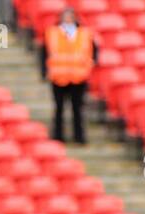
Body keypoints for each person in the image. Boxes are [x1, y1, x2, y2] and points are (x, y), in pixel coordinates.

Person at [45, 8, 95, 145]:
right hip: (58, 77)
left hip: (78, 77)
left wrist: (87, 68)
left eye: (70, 16)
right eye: (65, 16)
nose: (68, 19)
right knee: (59, 108)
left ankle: (79, 137)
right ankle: (58, 136)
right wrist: (46, 71)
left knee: (77, 109)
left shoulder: (85, 33)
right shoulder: (53, 33)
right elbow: (45, 52)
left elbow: (94, 52)